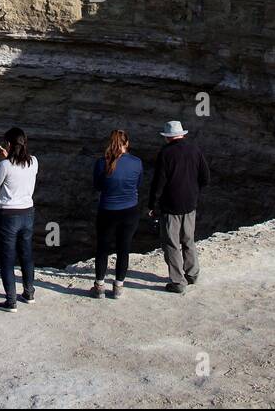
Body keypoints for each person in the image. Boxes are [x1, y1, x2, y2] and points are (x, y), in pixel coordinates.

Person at [148, 120, 209, 294]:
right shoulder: (195, 149)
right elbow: (205, 177)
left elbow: (158, 182)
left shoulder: (165, 153)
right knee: (188, 239)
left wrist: (152, 204)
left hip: (170, 206)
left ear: (167, 137)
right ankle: (193, 274)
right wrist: (193, 191)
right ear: (182, 134)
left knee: (172, 243)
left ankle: (178, 282)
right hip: (190, 203)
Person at [0, 126, 38, 311]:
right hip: (28, 213)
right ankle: (29, 293)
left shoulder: (5, 165)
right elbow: (21, 171)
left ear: (8, 144)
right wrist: (8, 156)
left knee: (7, 259)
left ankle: (11, 301)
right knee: (26, 254)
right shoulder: (34, 161)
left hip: (8, 216)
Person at [89, 129, 143, 299]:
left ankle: (99, 286)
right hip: (130, 211)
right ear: (127, 143)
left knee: (102, 249)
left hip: (107, 210)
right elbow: (138, 183)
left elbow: (97, 186)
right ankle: (118, 287)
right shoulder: (136, 162)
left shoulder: (101, 163)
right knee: (123, 249)